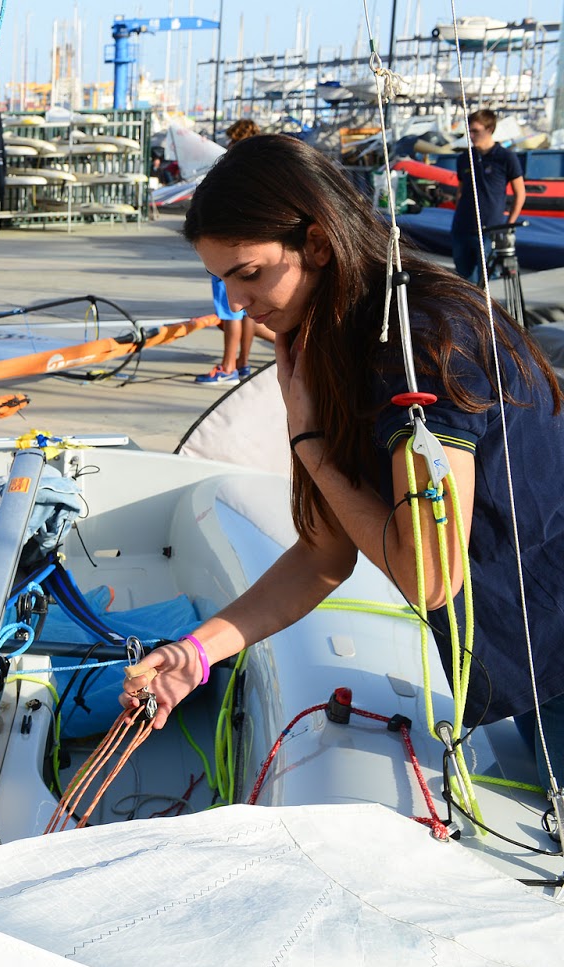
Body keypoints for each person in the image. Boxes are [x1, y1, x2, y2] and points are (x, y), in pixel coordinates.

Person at [124, 134, 564, 790]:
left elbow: (431, 576)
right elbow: (323, 554)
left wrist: (308, 441)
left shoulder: (422, 347)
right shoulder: (337, 343)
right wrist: (195, 652)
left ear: (318, 243)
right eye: (224, 281)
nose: (236, 302)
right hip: (531, 668)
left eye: (249, 273)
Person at [196, 119, 277, 385]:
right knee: (248, 310)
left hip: (229, 248)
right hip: (251, 249)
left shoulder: (232, 174)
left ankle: (228, 366)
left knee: (230, 310)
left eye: (231, 141)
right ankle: (242, 363)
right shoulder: (261, 173)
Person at [452, 108, 525, 285]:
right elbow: (460, 190)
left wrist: (508, 226)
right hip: (462, 228)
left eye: (476, 131)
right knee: (463, 280)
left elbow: (520, 193)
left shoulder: (506, 158)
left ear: (490, 129)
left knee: (488, 281)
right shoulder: (464, 158)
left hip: (489, 230)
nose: (471, 135)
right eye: (469, 131)